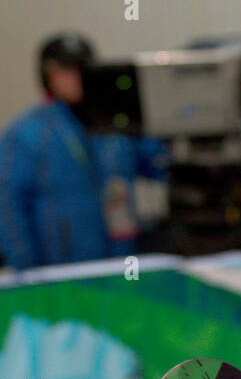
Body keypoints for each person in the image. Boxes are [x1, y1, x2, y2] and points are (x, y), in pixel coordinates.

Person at [0, 33, 167, 271]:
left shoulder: (117, 123)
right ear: (47, 75)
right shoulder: (27, 133)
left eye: (82, 69)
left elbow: (160, 165)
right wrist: (27, 272)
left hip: (121, 263)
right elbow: (9, 207)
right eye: (66, 70)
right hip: (60, 271)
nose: (75, 78)